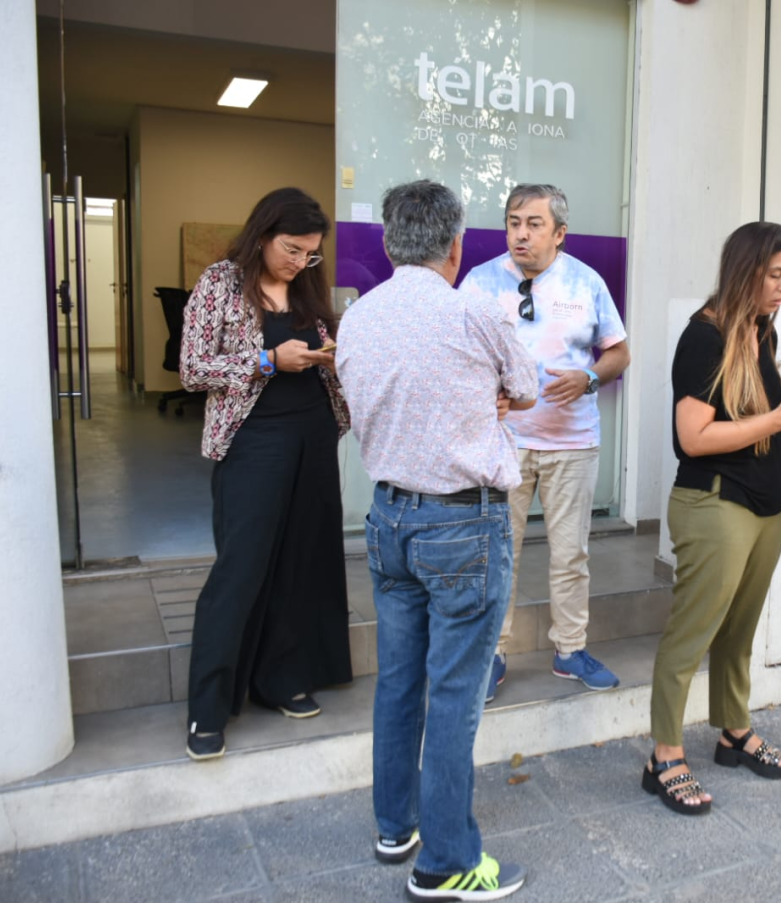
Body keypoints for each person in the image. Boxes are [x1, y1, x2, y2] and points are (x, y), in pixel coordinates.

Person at [337, 179, 538, 901]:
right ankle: (447, 861)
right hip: (462, 524)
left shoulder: (357, 317)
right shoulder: (473, 311)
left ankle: (396, 826)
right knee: (455, 693)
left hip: (388, 518)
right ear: (456, 246)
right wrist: (488, 396)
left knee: (398, 680)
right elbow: (526, 387)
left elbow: (353, 402)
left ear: (390, 243)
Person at [643, 222, 781, 816]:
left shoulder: (759, 327)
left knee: (739, 631)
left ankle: (734, 731)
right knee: (693, 632)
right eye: (774, 274)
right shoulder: (704, 336)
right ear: (745, 271)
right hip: (715, 504)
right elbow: (693, 438)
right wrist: (778, 420)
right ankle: (664, 755)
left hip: (766, 506)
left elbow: (753, 412)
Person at [179, 187, 352, 762]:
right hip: (253, 441)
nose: (301, 261)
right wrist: (267, 361)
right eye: (291, 249)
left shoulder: (305, 287)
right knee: (241, 568)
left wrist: (331, 354)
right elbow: (192, 368)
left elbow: (325, 357)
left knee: (301, 561)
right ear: (262, 234)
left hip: (313, 434)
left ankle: (281, 678)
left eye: (310, 252)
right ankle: (208, 707)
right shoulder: (221, 282)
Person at [460, 184, 631, 702]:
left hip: (572, 442)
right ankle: (492, 653)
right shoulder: (479, 282)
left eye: (534, 224)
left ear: (559, 233)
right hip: (503, 443)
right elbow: (457, 355)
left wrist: (590, 378)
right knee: (497, 556)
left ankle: (570, 650)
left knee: (571, 555)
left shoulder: (586, 282)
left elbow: (619, 354)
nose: (521, 234)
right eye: (514, 222)